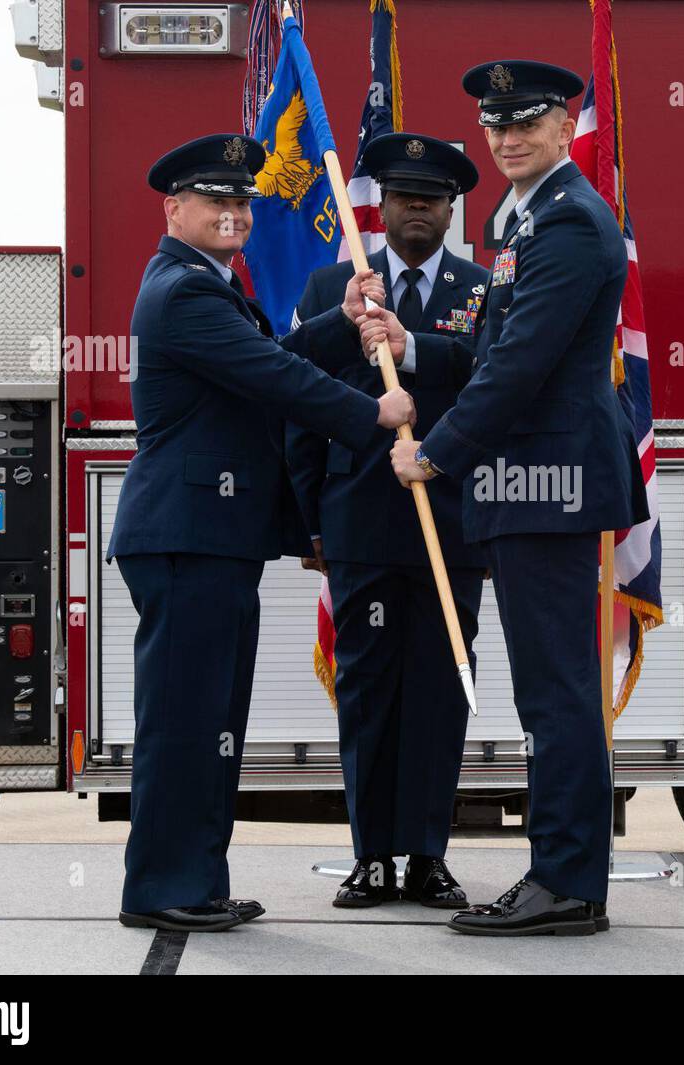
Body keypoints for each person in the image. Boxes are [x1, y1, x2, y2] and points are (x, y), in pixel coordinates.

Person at [108, 133, 414, 933]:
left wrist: (334, 320)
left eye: (242, 201)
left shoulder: (202, 284)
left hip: (211, 533)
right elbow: (272, 376)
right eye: (216, 200)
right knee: (184, 717)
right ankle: (163, 885)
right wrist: (370, 413)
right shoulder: (184, 290)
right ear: (174, 209)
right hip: (188, 533)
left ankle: (197, 878)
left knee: (210, 718)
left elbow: (266, 353)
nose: (234, 213)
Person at [391, 61, 647, 936]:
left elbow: (521, 366)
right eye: (493, 122)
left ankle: (568, 881)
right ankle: (559, 871)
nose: (505, 137)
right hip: (529, 487)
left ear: (566, 120)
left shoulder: (571, 222)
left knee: (558, 692)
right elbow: (496, 348)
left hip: (550, 486)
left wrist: (438, 452)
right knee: (550, 689)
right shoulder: (527, 218)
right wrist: (414, 347)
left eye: (525, 121)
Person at [282, 133, 487, 908]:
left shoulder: (478, 291)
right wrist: (310, 525)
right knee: (368, 689)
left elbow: (492, 386)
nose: (416, 210)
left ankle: (427, 855)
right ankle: (371, 857)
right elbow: (301, 404)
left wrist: (420, 346)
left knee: (439, 689)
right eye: (403, 196)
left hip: (452, 526)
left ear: (450, 210)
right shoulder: (337, 285)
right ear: (382, 206)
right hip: (360, 519)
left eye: (431, 199)